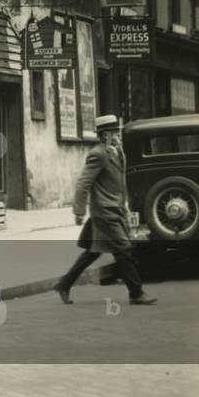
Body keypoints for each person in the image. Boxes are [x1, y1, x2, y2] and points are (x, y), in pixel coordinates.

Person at [55, 114, 156, 306]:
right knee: (123, 250)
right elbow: (83, 183)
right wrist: (78, 211)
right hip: (105, 212)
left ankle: (64, 284)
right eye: (114, 133)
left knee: (92, 252)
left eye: (117, 132)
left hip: (116, 209)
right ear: (104, 136)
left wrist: (125, 205)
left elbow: (120, 182)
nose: (118, 136)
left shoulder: (118, 153)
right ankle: (136, 292)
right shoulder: (98, 154)